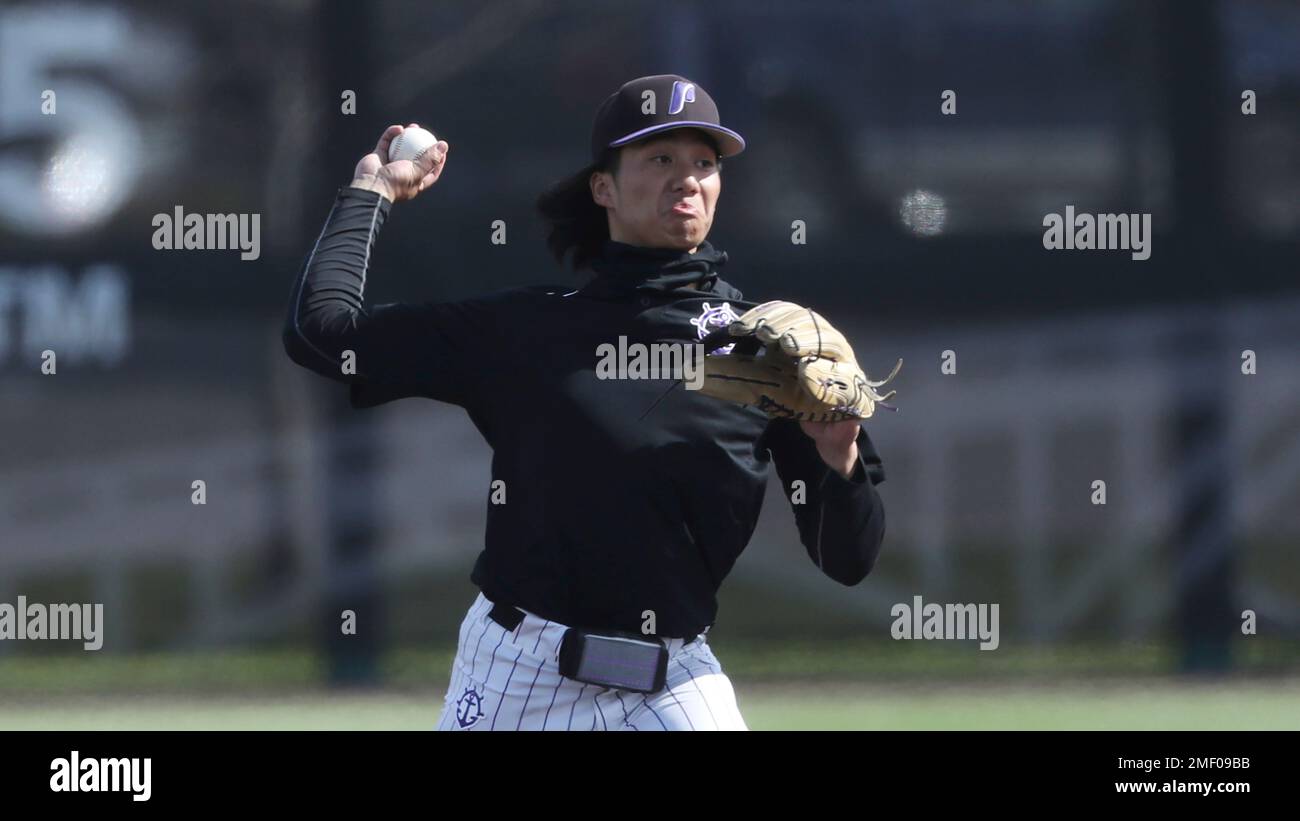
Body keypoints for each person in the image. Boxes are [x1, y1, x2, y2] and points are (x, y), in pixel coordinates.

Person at [283, 74, 888, 730]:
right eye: (659, 159)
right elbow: (324, 333)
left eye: (704, 163)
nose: (686, 178)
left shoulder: (763, 352)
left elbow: (847, 560)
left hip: (672, 683)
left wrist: (840, 456)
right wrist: (373, 190)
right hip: (517, 670)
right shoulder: (526, 332)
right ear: (603, 186)